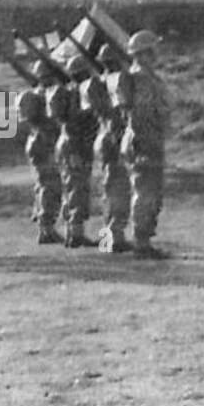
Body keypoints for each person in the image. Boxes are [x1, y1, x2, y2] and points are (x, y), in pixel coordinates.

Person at [116, 30, 172, 259]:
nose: (158, 53)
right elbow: (141, 114)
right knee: (145, 191)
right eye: (154, 49)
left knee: (151, 190)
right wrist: (143, 142)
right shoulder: (141, 80)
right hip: (144, 139)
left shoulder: (147, 77)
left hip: (147, 138)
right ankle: (141, 242)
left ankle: (144, 239)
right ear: (145, 53)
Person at [83, 44, 133, 253]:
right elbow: (124, 107)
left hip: (102, 136)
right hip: (113, 137)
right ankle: (113, 239)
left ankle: (108, 239)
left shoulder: (97, 82)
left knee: (109, 190)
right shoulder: (117, 80)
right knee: (117, 190)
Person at [48, 55, 100, 248]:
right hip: (75, 144)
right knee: (77, 188)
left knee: (72, 186)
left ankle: (72, 230)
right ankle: (75, 234)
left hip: (67, 143)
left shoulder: (68, 92)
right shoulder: (79, 94)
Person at [16, 61, 64, 244]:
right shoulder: (48, 94)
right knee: (50, 186)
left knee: (43, 185)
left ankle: (45, 226)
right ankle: (46, 229)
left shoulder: (35, 94)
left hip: (36, 142)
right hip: (44, 142)